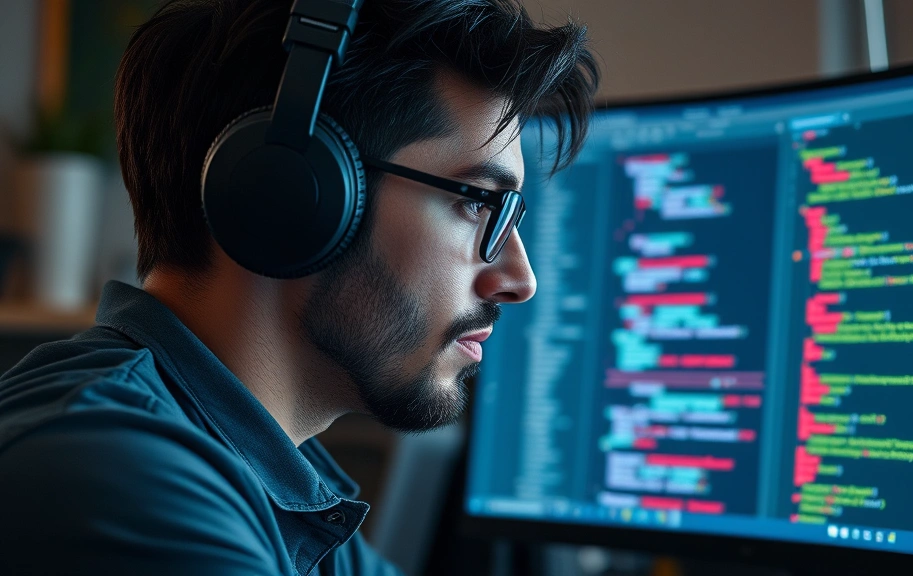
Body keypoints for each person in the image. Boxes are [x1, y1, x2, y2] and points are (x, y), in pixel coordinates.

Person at [0, 0, 599, 574]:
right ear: (291, 191)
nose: (520, 280)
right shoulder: (115, 476)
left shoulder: (271, 472)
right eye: (478, 203)